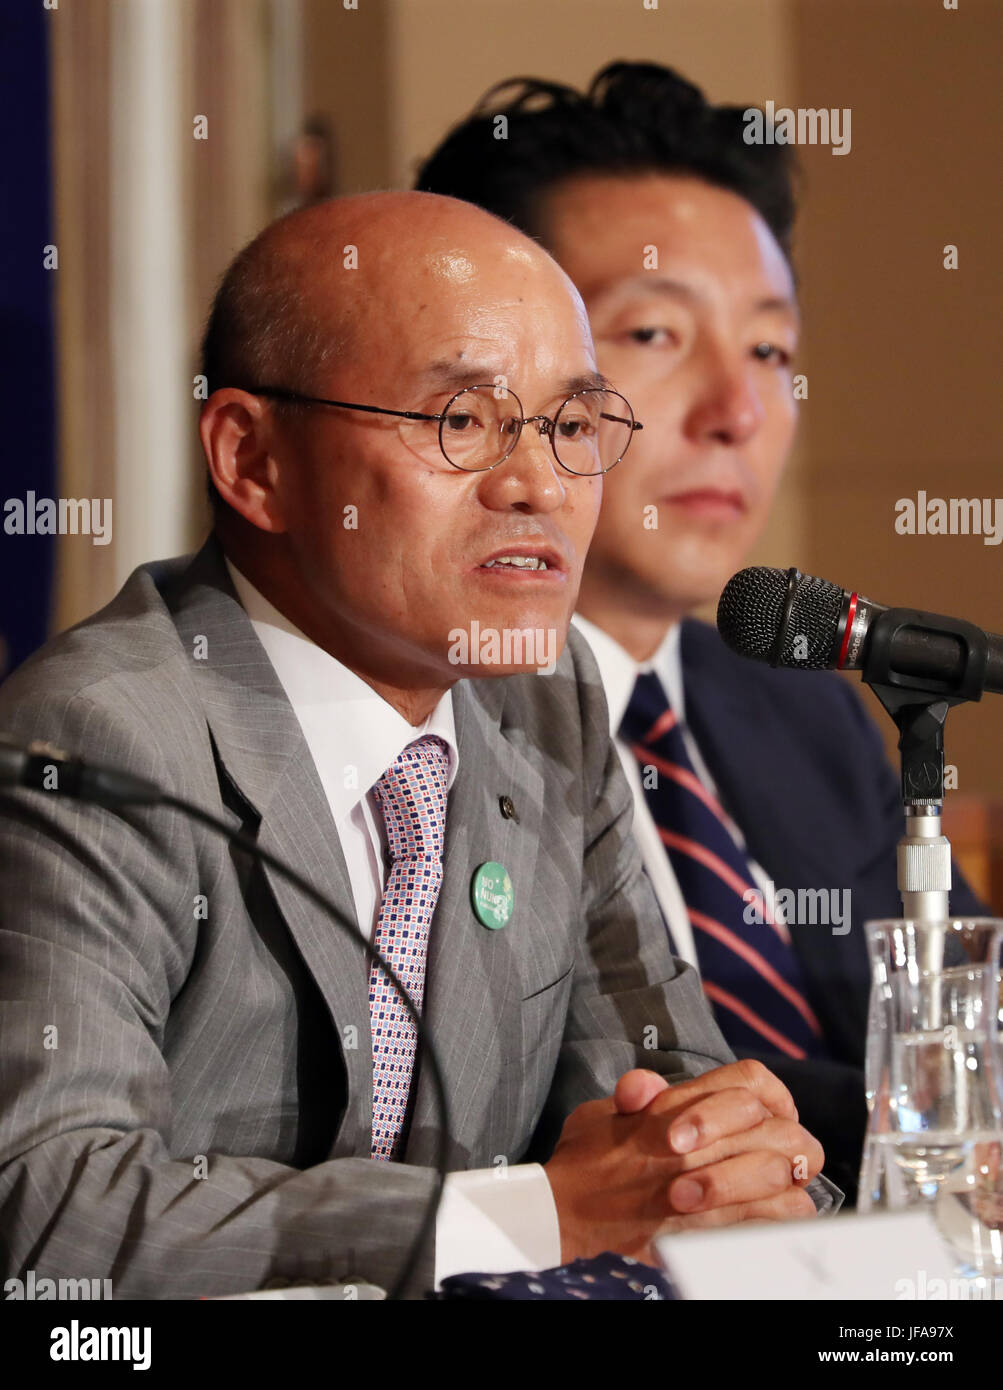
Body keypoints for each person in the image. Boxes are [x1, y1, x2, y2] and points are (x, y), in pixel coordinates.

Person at [0, 192, 837, 1300]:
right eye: (462, 420)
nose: (538, 484)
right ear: (253, 459)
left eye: (575, 427)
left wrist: (734, 1168)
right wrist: (530, 1213)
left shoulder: (545, 701)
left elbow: (657, 1093)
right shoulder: (104, 735)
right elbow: (45, 1203)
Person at [416, 64, 985, 1203]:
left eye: (771, 350)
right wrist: (923, 1127)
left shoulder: (800, 694)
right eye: (655, 331)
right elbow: (568, 1113)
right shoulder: (416, 715)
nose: (736, 408)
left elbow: (967, 1039)